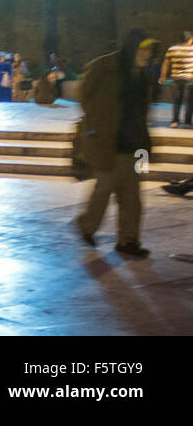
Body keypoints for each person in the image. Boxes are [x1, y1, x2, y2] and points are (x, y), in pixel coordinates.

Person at [74, 30, 159, 258]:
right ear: (132, 48)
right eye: (143, 49)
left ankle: (128, 241)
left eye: (150, 50)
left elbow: (143, 110)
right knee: (103, 191)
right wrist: (96, 124)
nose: (147, 54)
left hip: (136, 146)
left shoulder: (143, 75)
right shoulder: (106, 67)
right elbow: (84, 95)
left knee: (132, 198)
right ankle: (86, 226)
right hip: (110, 144)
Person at [159, 30, 193, 128]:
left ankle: (175, 121)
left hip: (176, 78)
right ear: (190, 40)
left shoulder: (172, 49)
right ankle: (187, 121)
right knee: (189, 101)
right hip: (190, 79)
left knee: (177, 100)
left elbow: (166, 64)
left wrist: (163, 76)